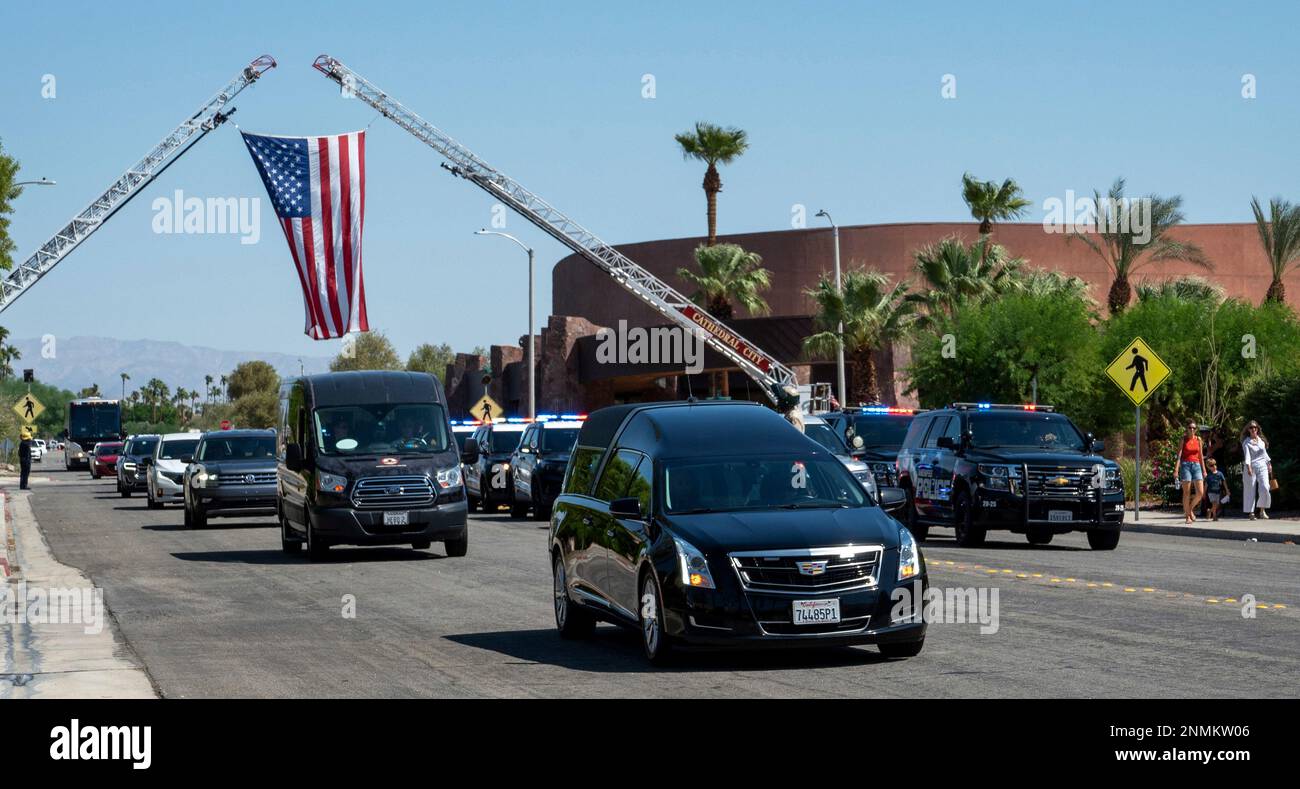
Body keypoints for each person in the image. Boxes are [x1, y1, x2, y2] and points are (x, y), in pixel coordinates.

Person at [1241, 420, 1273, 520]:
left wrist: (1269, 463)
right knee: (1250, 489)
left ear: (1257, 429)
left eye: (1255, 427)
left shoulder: (1261, 441)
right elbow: (1247, 456)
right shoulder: (1246, 442)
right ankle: (1251, 513)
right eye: (1251, 427)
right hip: (1251, 466)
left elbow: (1264, 454)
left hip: (1262, 465)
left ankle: (1262, 511)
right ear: (1248, 430)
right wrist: (1249, 467)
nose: (1253, 429)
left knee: (1265, 487)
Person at [1177, 420, 1206, 524]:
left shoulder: (1198, 439)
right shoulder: (1183, 439)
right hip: (1185, 465)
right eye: (1190, 427)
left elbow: (1201, 456)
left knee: (1200, 493)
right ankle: (1187, 517)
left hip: (1197, 465)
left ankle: (1189, 510)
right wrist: (1176, 469)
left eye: (1194, 428)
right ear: (1187, 429)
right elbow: (1179, 455)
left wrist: (1204, 470)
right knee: (1186, 492)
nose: (1192, 429)